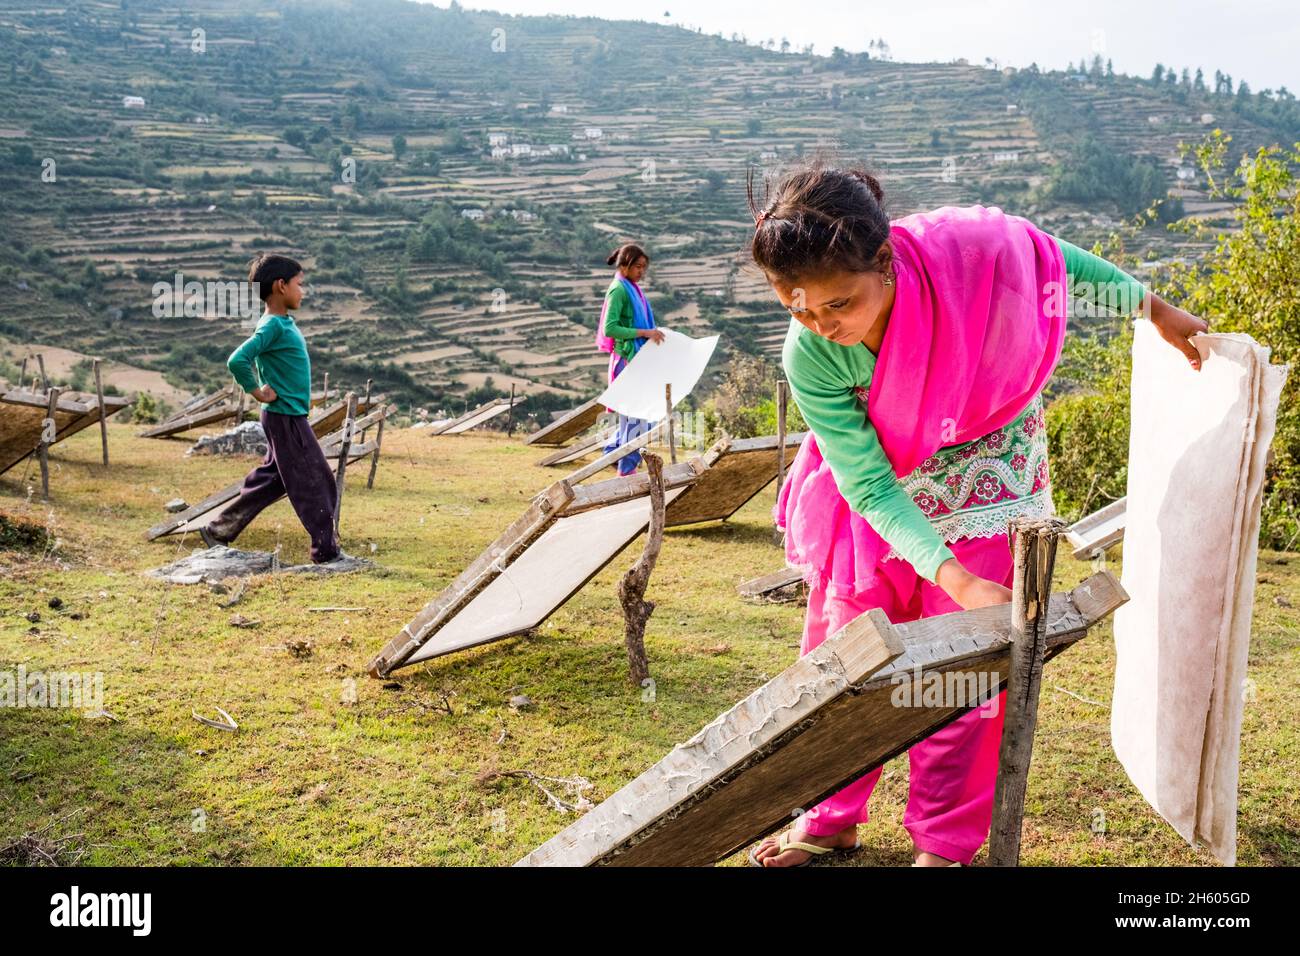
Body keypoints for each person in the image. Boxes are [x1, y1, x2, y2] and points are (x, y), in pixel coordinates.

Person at [744, 159, 1209, 867]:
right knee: (847, 646)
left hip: (990, 467)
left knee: (964, 664)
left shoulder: (968, 251)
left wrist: (1155, 310)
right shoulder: (810, 353)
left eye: (838, 304)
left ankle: (945, 842)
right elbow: (868, 486)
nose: (819, 323)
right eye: (797, 306)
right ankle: (830, 815)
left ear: (885, 261)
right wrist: (950, 572)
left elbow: (1057, 264)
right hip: (885, 482)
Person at [199, 254, 343, 563]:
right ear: (281, 286)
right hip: (286, 418)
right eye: (299, 284)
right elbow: (237, 359)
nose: (302, 291)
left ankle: (218, 530)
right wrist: (257, 392)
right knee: (318, 482)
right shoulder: (272, 327)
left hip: (286, 416)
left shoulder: (281, 324)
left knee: (271, 480)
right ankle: (326, 553)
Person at [595, 243, 665, 476]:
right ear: (624, 265)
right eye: (637, 267)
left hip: (638, 360)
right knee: (637, 418)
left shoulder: (632, 288)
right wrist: (644, 333)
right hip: (627, 360)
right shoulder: (619, 290)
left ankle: (613, 452)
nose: (641, 272)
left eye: (644, 267)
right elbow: (610, 328)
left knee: (643, 416)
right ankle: (626, 468)